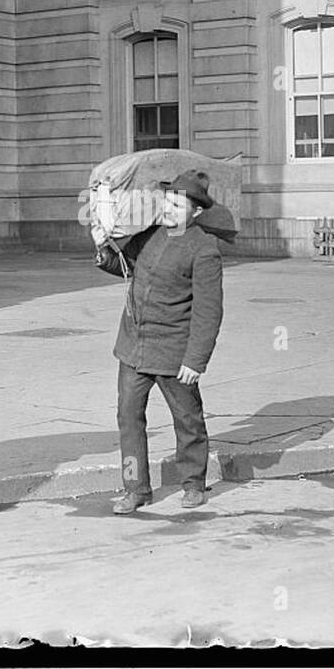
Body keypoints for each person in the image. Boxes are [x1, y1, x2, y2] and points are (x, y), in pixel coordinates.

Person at [95, 170, 224, 513]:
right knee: (128, 416)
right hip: (133, 347)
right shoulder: (150, 235)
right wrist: (103, 250)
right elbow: (125, 266)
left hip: (173, 352)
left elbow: (208, 312)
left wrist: (195, 361)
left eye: (177, 204)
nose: (168, 208)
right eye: (167, 201)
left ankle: (193, 483)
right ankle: (136, 488)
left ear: (196, 212)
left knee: (187, 419)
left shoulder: (204, 250)